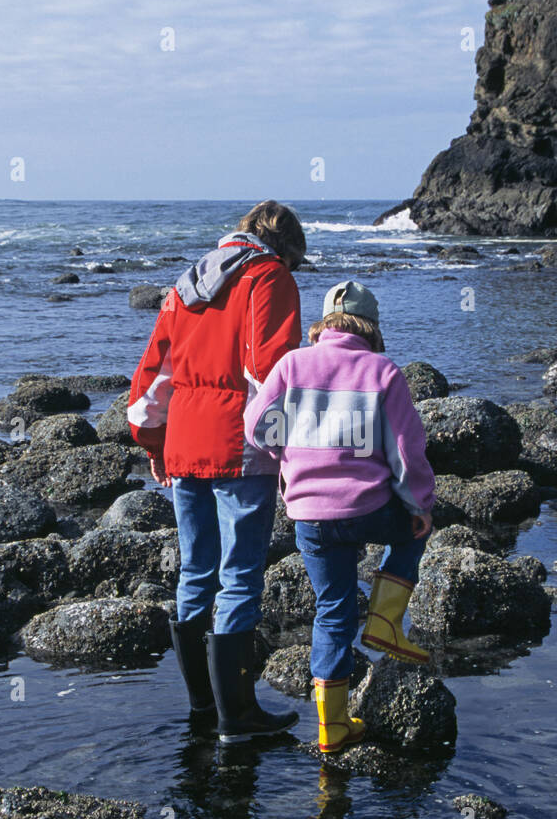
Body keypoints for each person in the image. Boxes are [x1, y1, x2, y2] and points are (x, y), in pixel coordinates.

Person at [128, 200, 306, 744]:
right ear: (285, 248)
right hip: (238, 448)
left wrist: (154, 441)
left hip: (184, 440)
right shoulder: (267, 277)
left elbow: (154, 370)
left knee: (196, 570)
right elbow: (270, 373)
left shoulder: (189, 281)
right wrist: (284, 452)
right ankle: (239, 715)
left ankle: (205, 704)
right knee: (239, 576)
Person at [243, 281, 435, 753]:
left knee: (331, 613)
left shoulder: (291, 364)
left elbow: (255, 428)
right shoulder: (383, 371)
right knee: (414, 532)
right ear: (371, 326)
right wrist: (420, 506)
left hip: (310, 514)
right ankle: (385, 620)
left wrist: (288, 449)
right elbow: (407, 454)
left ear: (324, 324)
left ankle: (332, 728)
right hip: (369, 508)